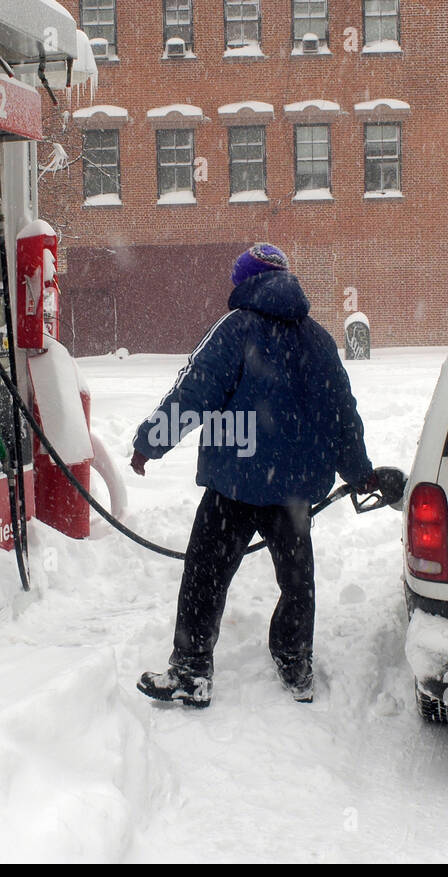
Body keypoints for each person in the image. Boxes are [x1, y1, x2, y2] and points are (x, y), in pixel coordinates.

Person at [130, 243, 378, 708]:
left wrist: (150, 442)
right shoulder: (318, 338)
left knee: (205, 574)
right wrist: (359, 471)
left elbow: (193, 392)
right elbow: (342, 412)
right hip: (292, 490)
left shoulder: (235, 327)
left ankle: (190, 672)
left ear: (245, 282)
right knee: (297, 579)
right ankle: (294, 661)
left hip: (235, 483)